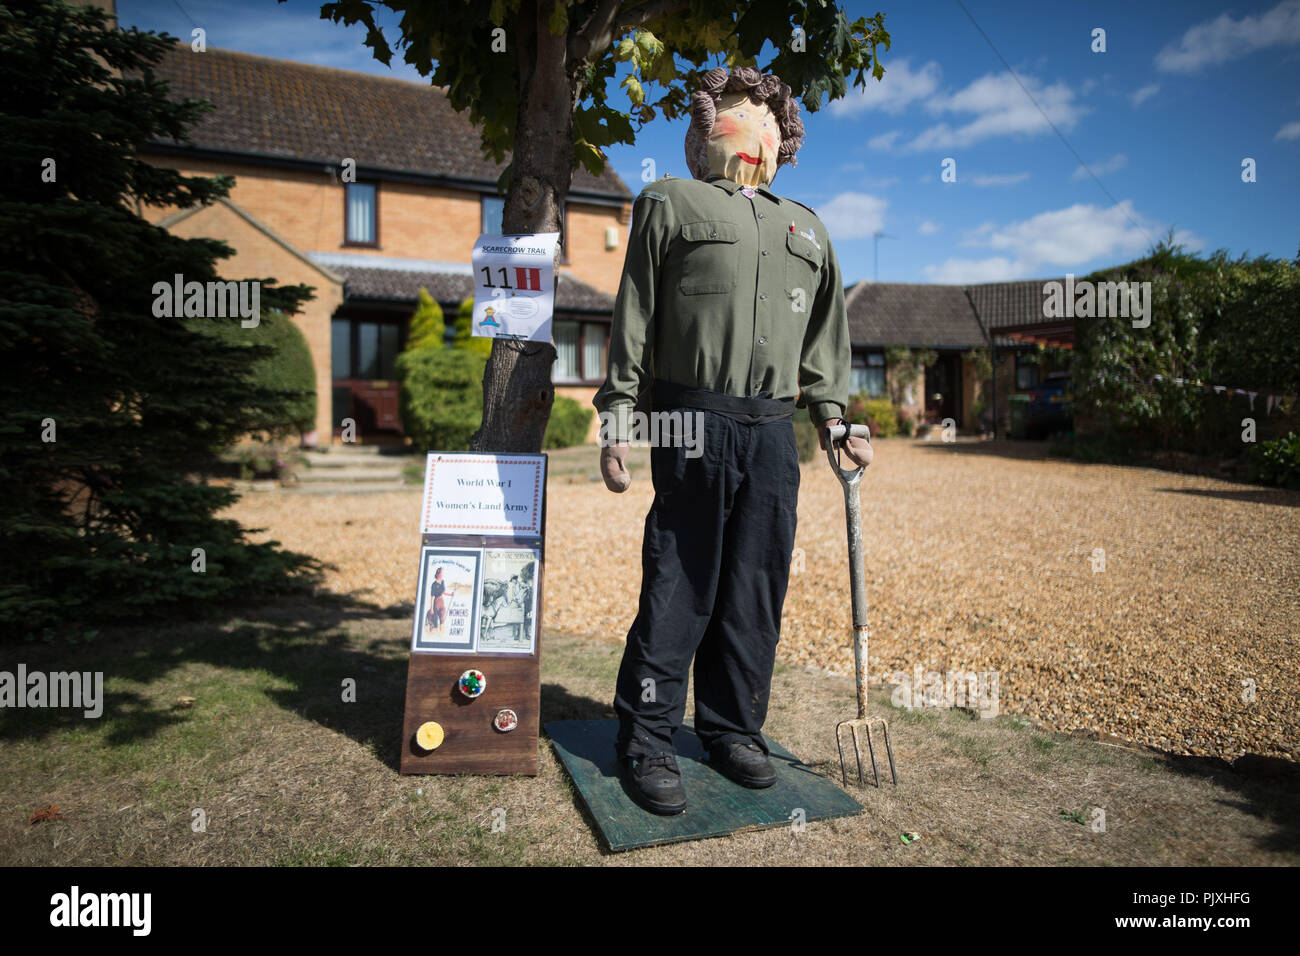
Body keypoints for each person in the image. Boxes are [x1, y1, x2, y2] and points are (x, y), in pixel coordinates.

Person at [593, 67, 873, 815]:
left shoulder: (807, 226)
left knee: (755, 586)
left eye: (767, 119)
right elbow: (636, 317)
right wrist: (619, 416)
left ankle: (732, 730)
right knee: (680, 580)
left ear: (785, 138)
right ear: (706, 128)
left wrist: (837, 421)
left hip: (775, 430)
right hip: (690, 416)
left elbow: (825, 341)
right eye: (740, 115)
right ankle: (648, 738)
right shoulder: (668, 202)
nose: (753, 130)